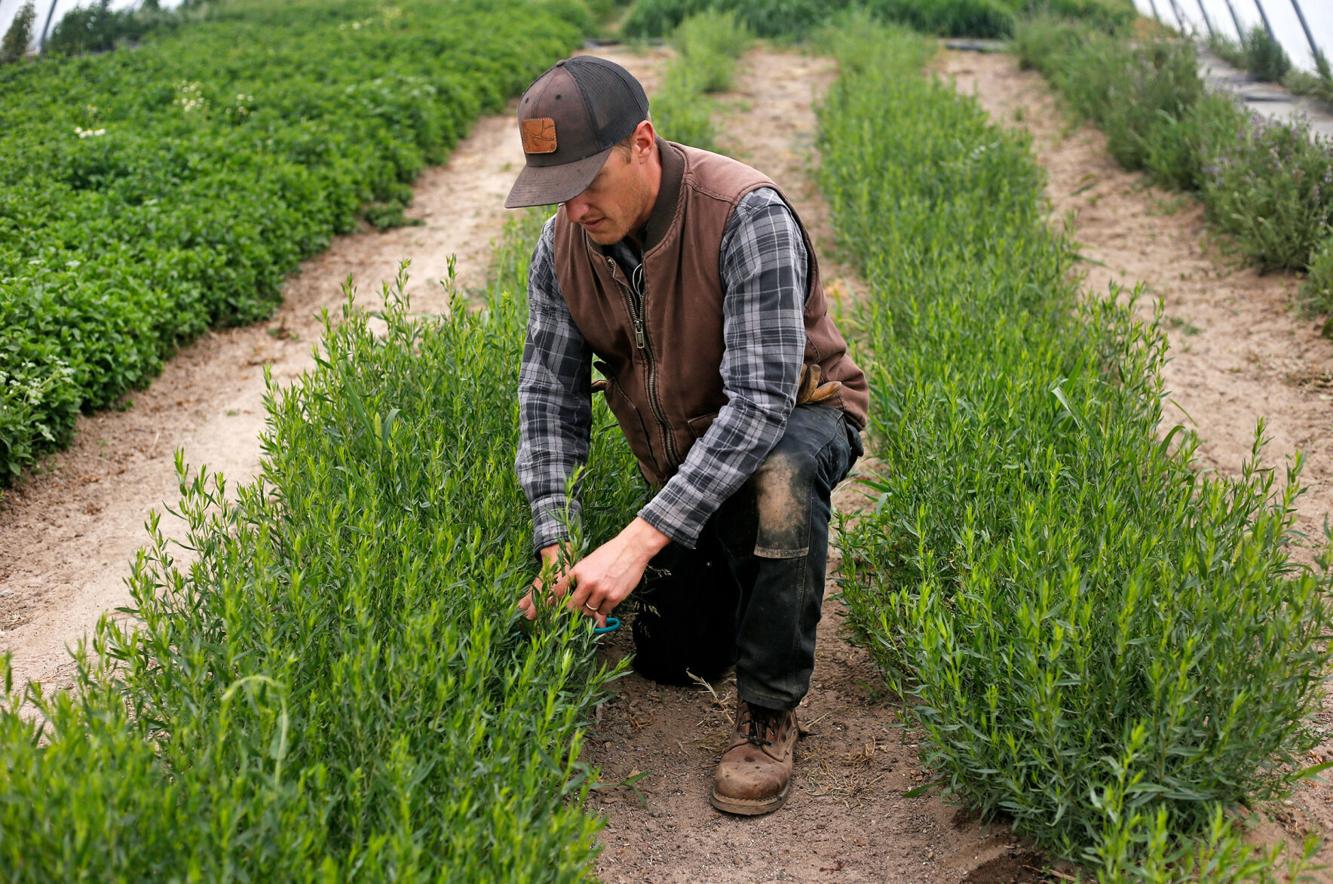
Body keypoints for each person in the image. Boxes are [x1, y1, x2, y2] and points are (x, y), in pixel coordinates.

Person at [506, 55, 868, 816]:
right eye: (555, 193)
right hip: (684, 456)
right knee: (673, 662)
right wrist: (558, 542)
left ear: (640, 142)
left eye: (585, 184)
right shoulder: (562, 246)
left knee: (777, 485)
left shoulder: (744, 212)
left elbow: (759, 404)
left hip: (792, 418)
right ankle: (745, 581)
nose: (573, 212)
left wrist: (638, 541)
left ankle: (769, 711)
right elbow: (548, 398)